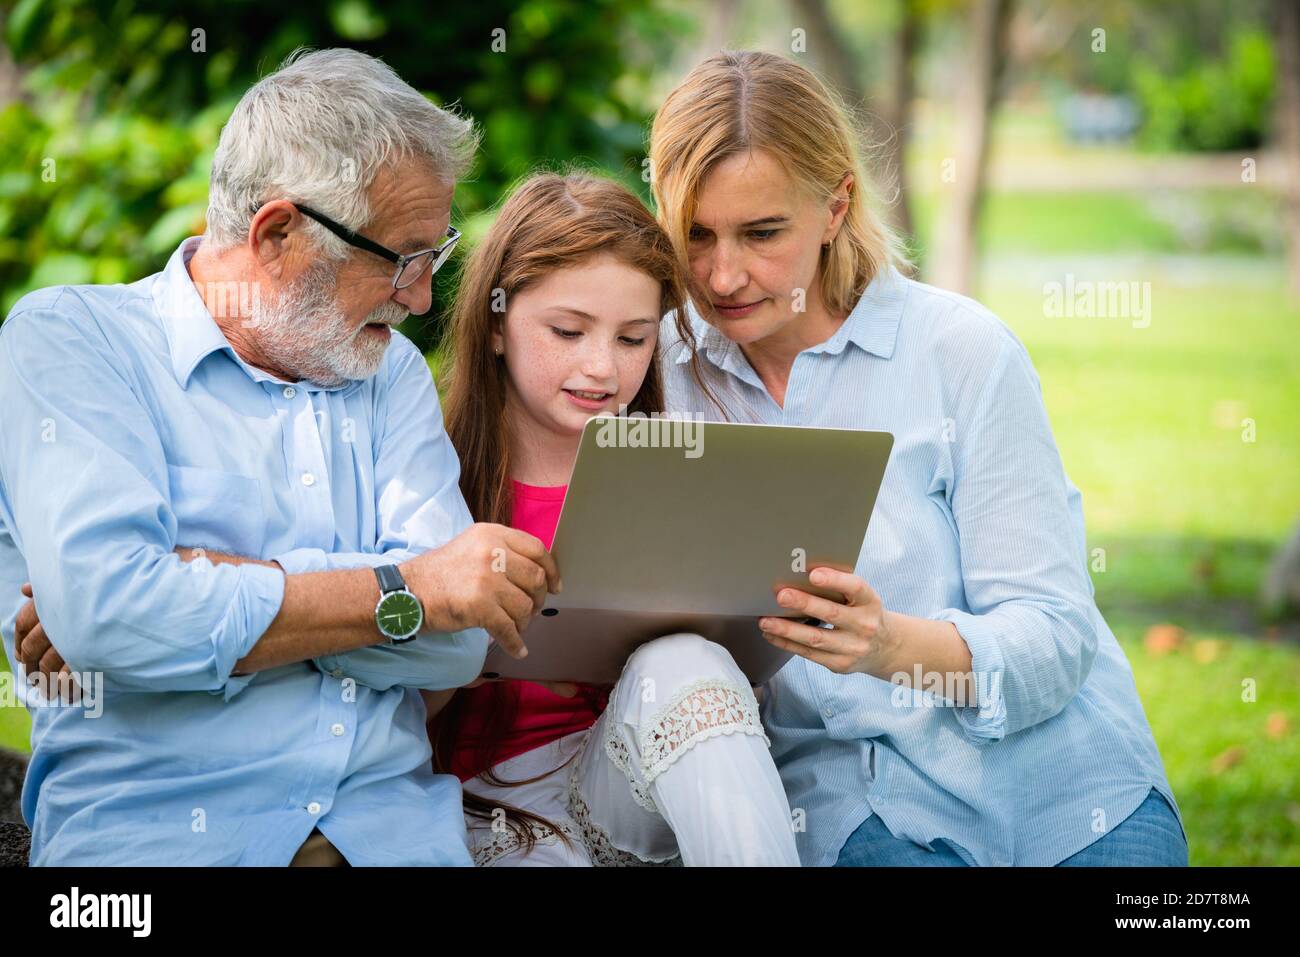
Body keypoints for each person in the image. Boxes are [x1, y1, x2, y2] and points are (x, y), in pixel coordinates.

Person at [0, 48, 559, 866]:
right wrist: (405, 588)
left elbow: (456, 640)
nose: (420, 298)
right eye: (402, 257)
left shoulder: (387, 372)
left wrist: (205, 577)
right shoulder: (73, 343)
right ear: (278, 233)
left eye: (432, 258)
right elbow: (109, 614)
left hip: (390, 843)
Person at [648, 50, 1189, 867]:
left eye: (762, 234)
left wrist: (888, 645)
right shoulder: (657, 372)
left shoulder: (962, 351)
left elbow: (1054, 635)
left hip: (1066, 792)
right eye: (696, 235)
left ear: (836, 206)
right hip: (856, 803)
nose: (724, 275)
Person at [424, 172, 800, 867]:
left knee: (686, 661)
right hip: (493, 807)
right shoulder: (430, 473)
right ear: (497, 323)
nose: (601, 368)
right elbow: (372, 716)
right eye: (567, 331)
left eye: (633, 339)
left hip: (637, 781)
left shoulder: (676, 465)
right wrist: (470, 654)